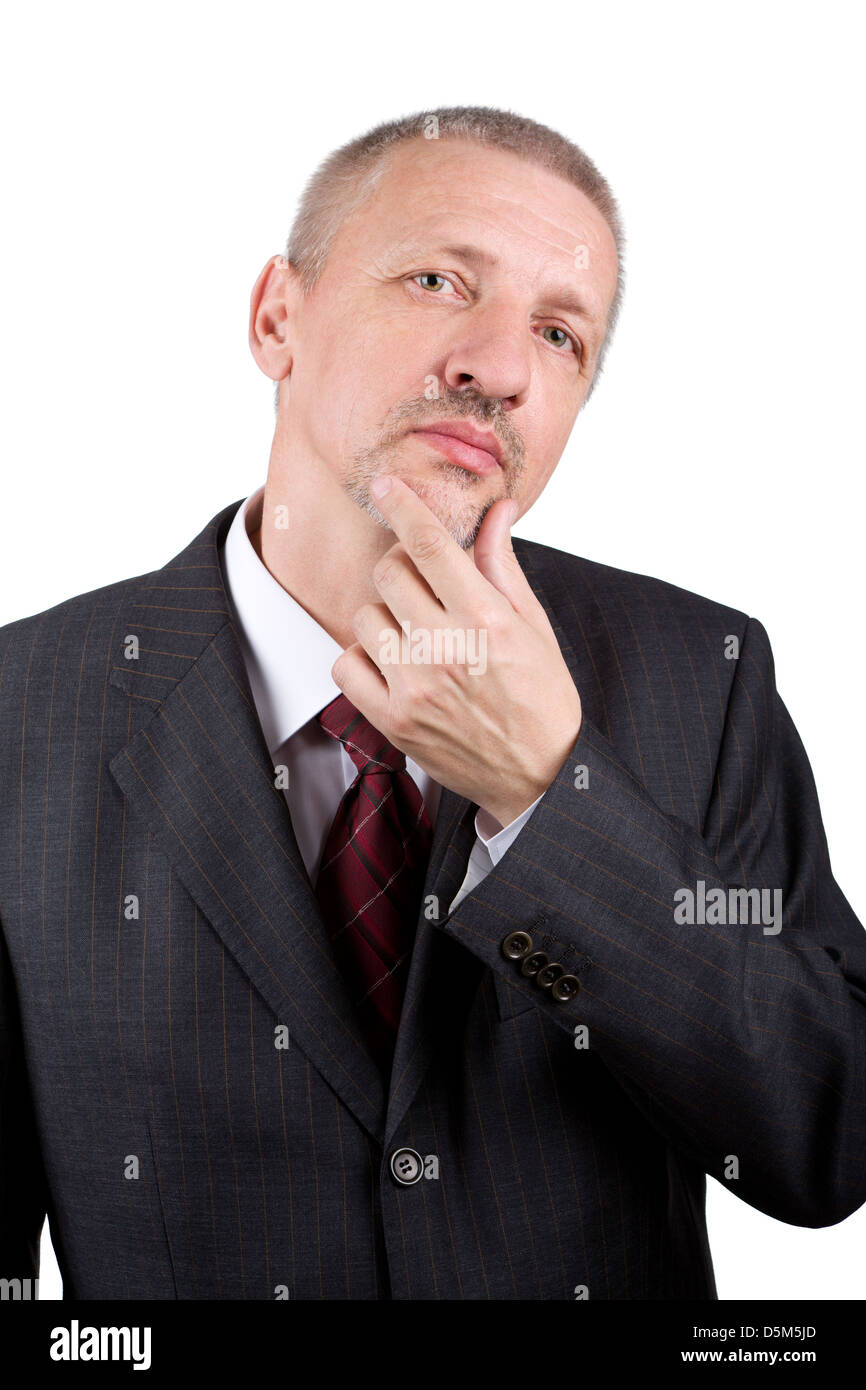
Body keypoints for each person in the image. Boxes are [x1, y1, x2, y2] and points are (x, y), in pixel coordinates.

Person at [1, 106, 864, 1301]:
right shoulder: (18, 713)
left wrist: (544, 796)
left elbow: (824, 1135)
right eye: (437, 278)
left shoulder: (700, 674)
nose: (499, 366)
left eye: (560, 336)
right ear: (276, 318)